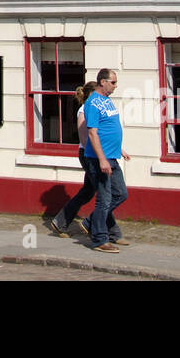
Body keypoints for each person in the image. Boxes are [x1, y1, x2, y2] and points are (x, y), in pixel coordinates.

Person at [82, 68, 130, 253]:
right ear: (103, 82)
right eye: (113, 82)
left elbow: (108, 129)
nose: (115, 86)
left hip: (112, 156)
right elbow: (93, 133)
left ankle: (91, 222)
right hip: (98, 159)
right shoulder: (93, 103)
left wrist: (120, 149)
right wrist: (102, 159)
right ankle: (100, 239)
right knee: (104, 199)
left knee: (120, 194)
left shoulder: (106, 101)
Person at [48, 81, 98, 236]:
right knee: (105, 193)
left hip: (92, 154)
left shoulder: (93, 108)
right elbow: (84, 138)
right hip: (89, 154)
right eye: (96, 93)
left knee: (88, 191)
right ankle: (102, 228)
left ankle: (60, 222)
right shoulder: (84, 110)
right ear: (90, 94)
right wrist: (97, 156)